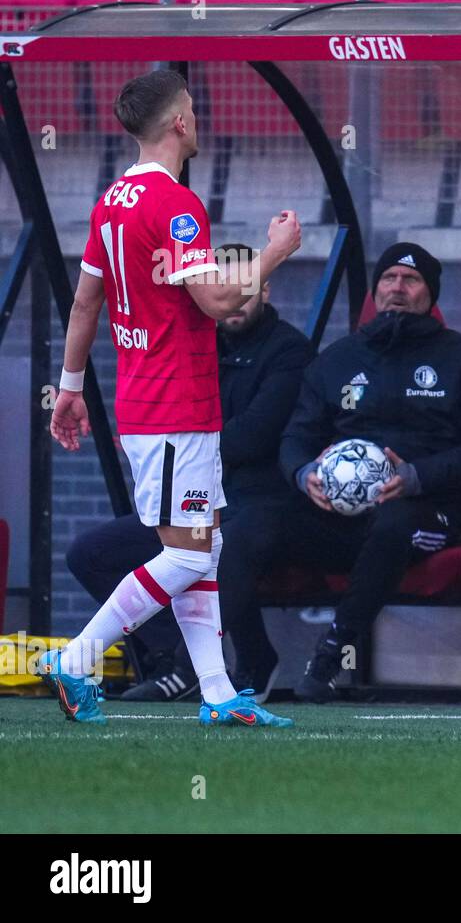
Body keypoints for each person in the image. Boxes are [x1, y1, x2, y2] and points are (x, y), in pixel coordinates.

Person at [42, 70, 301, 726]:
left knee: (203, 548)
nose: (197, 117)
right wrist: (273, 255)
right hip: (173, 405)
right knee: (186, 553)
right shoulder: (177, 205)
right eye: (193, 107)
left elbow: (84, 303)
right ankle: (77, 661)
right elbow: (215, 300)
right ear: (180, 123)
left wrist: (70, 389)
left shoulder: (113, 200)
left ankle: (217, 695)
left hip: (156, 402)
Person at [243, 242, 461, 702]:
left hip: (427, 516)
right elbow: (295, 438)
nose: (397, 288)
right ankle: (241, 661)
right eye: (388, 279)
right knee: (251, 524)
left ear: (431, 294)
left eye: (411, 280)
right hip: (339, 519)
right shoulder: (338, 359)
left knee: (394, 522)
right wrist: (302, 472)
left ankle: (330, 657)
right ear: (375, 290)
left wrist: (416, 476)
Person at [65, 243, 313, 701]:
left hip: (260, 500)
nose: (232, 298)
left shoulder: (290, 351)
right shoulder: (195, 340)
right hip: (195, 486)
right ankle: (186, 666)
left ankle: (91, 660)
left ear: (265, 288)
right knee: (92, 552)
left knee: (208, 553)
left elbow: (256, 436)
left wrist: (171, 441)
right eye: (221, 285)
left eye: (243, 286)